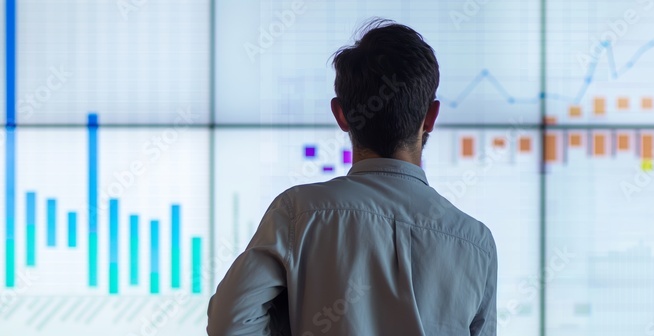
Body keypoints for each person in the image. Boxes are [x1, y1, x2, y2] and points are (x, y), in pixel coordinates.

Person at [207, 18, 498, 336]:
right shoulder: (476, 242)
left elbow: (230, 325)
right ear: (431, 117)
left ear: (341, 114)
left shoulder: (298, 212)